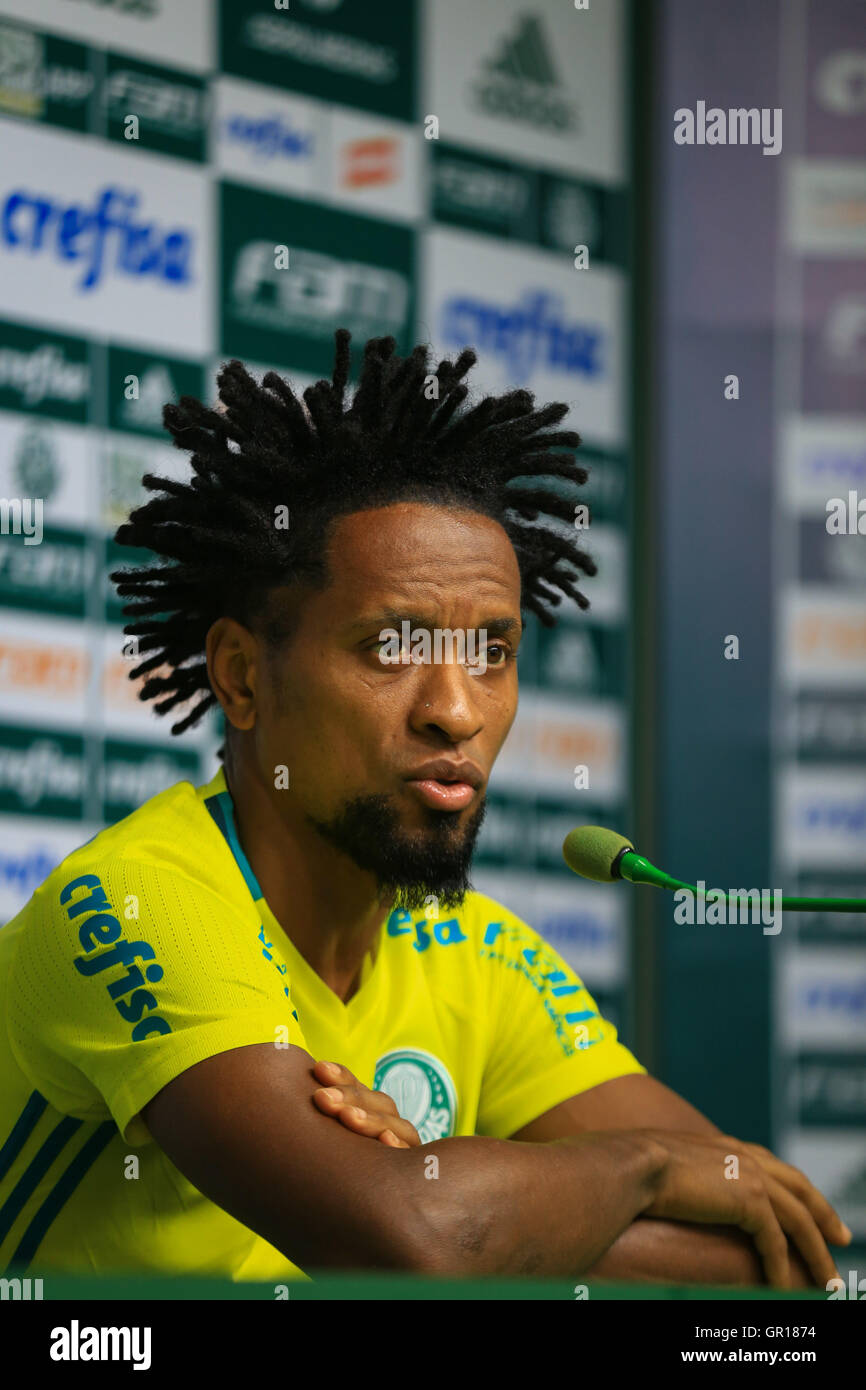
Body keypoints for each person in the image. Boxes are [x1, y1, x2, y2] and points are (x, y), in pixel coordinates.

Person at [0, 331, 849, 1286]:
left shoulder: (482, 951)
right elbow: (415, 1245)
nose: (455, 708)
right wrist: (633, 1168)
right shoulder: (142, 903)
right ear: (242, 676)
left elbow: (761, 1243)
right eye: (389, 648)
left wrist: (464, 1192)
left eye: (493, 649)